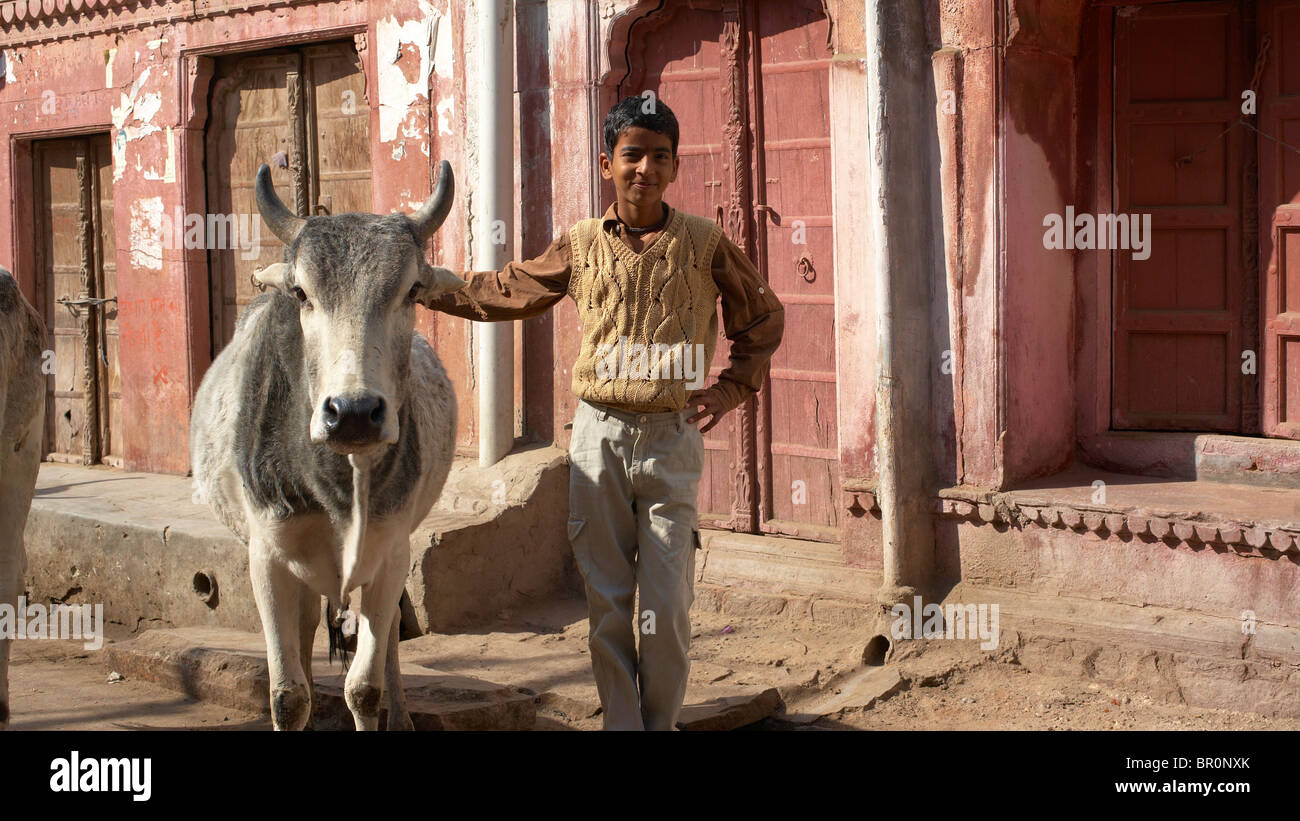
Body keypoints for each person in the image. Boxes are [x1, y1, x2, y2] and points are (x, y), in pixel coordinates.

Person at [425, 96, 784, 730]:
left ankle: (659, 721)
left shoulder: (704, 242)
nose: (645, 168)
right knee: (608, 602)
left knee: (668, 602)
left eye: (659, 156)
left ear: (675, 168)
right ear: (605, 163)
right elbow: (506, 290)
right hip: (597, 438)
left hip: (670, 438)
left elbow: (762, 317)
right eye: (632, 155)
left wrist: (729, 390)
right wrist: (425, 283)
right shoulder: (582, 244)